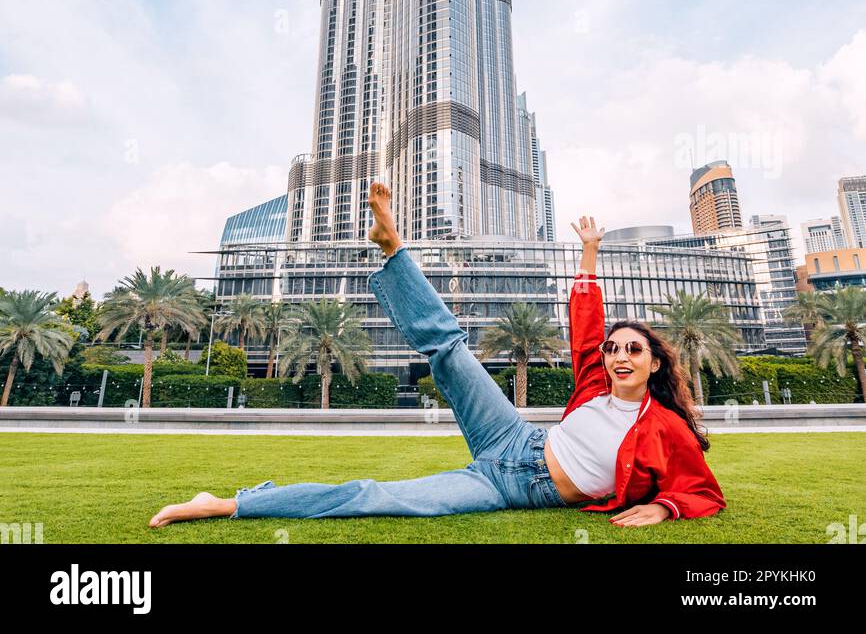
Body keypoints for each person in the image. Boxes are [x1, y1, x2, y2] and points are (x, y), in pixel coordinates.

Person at [149, 188, 725, 528]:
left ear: (655, 364)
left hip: (513, 487)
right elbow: (586, 325)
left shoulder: (666, 427)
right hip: (517, 438)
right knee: (448, 349)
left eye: (634, 350)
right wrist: (590, 255)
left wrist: (666, 510)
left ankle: (224, 504)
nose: (619, 355)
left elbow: (704, 490)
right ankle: (394, 247)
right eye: (615, 348)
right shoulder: (597, 383)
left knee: (379, 496)